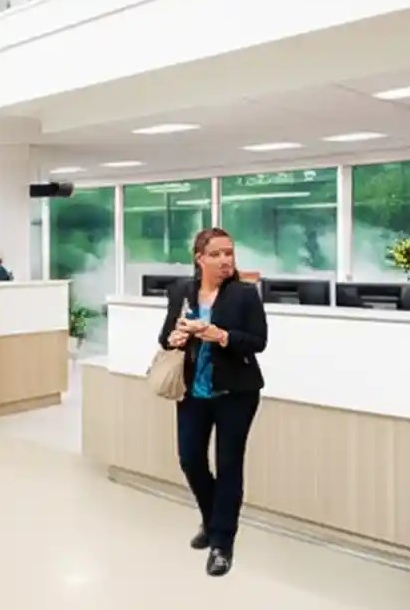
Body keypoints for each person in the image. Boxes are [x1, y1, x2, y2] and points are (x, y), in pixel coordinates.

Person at [158, 227, 268, 577]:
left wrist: (221, 336)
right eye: (217, 254)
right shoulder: (181, 292)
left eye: (230, 253)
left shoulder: (244, 295)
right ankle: (211, 519)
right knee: (190, 459)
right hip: (194, 392)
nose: (225, 260)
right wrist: (175, 337)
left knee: (229, 464)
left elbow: (258, 341)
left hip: (236, 393)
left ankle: (222, 542)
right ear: (199, 257)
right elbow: (165, 335)